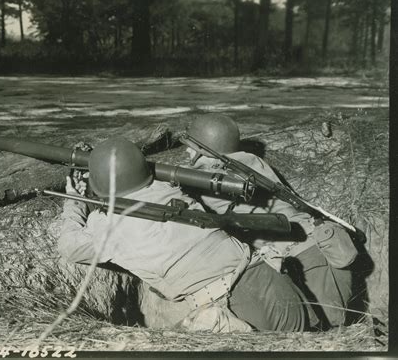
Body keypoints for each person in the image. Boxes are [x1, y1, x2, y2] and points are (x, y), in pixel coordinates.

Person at [57, 136, 314, 333]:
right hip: (273, 283)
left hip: (238, 310)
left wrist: (74, 200)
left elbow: (69, 246)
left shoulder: (107, 227)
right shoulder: (170, 189)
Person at [180, 113, 358, 329]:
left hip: (310, 258)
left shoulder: (213, 173)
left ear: (205, 148)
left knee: (328, 333)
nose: (186, 150)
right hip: (311, 251)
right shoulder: (248, 161)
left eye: (190, 145)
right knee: (321, 332)